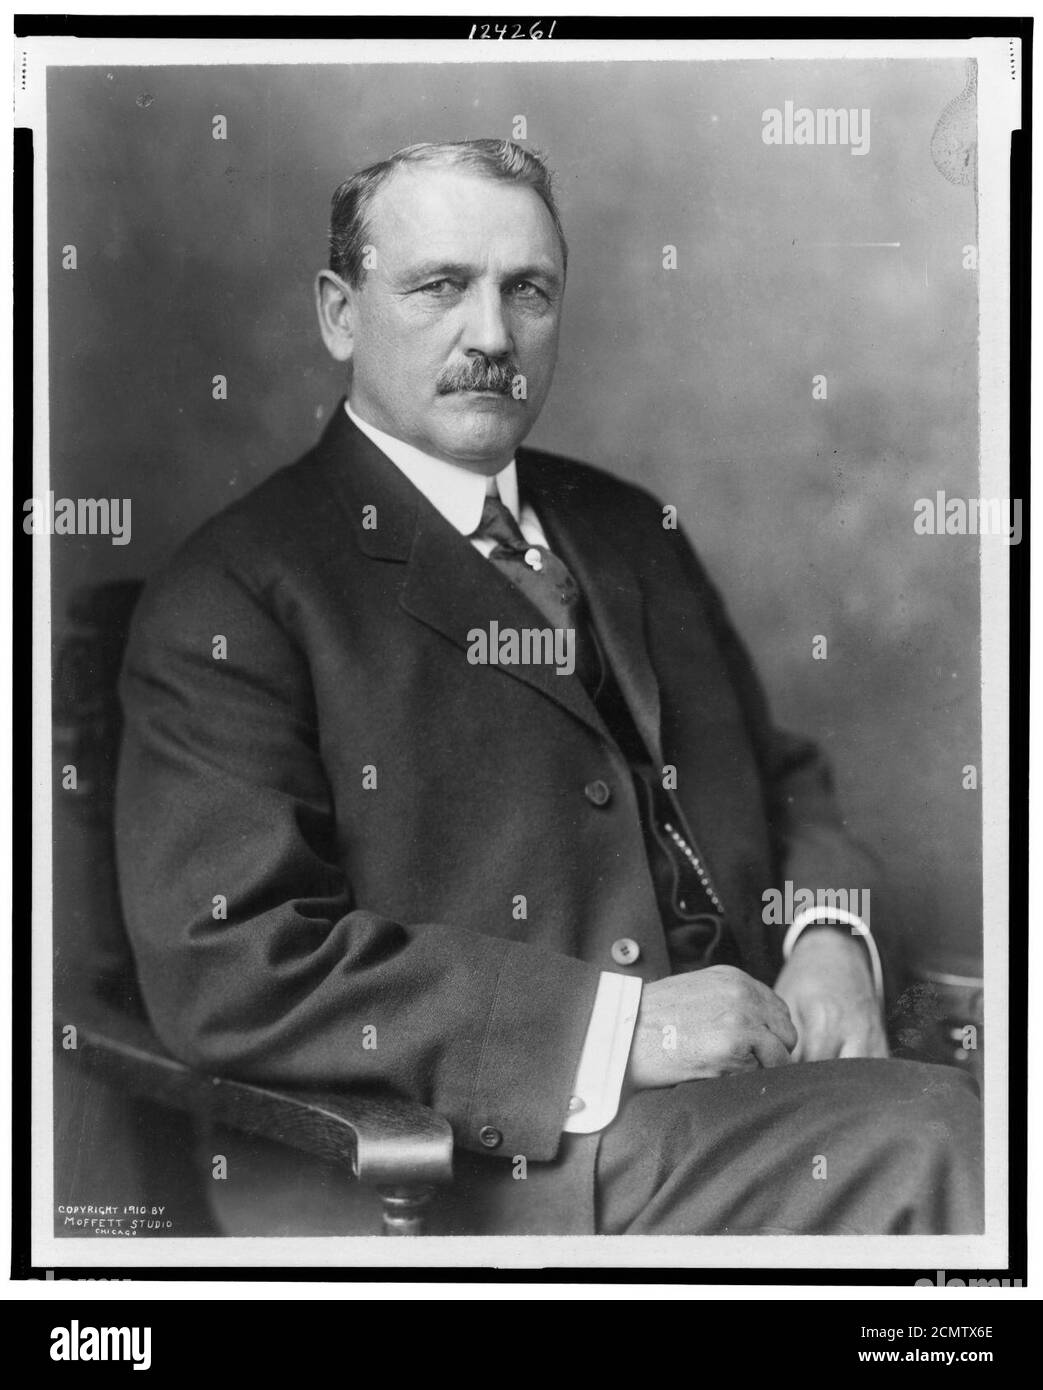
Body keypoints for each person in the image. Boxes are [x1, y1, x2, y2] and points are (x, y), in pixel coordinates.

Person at [115, 139, 982, 1236]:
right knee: (948, 1142)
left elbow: (780, 777)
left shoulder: (622, 526)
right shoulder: (235, 591)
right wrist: (614, 1029)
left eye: (526, 290)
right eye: (439, 286)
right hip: (485, 1166)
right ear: (339, 312)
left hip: (752, 1101)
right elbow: (231, 962)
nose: (490, 334)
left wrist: (829, 935)